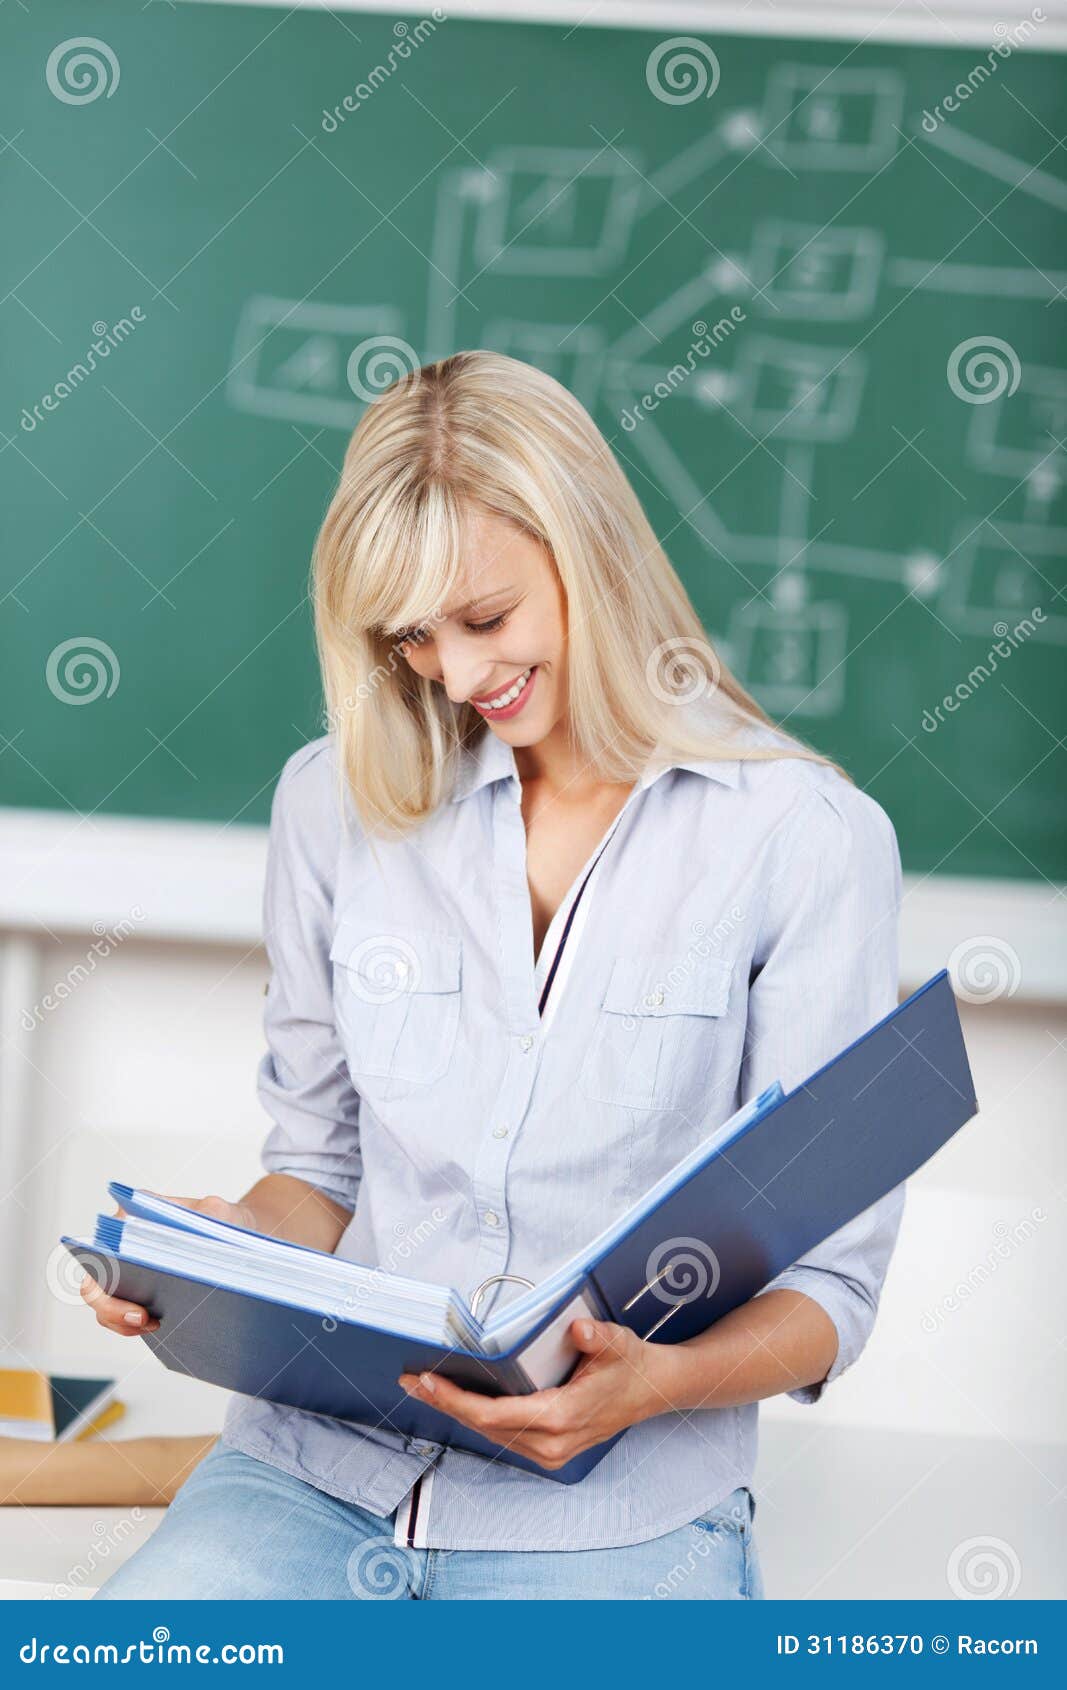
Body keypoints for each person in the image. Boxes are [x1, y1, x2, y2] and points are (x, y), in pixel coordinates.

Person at [88, 351, 904, 1600]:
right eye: (411, 636)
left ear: (587, 551)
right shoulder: (334, 803)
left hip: (619, 1512)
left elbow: (829, 1284)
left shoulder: (803, 838)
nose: (457, 676)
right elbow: (316, 1169)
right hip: (314, 1476)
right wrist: (224, 1257)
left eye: (484, 619)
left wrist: (656, 1381)